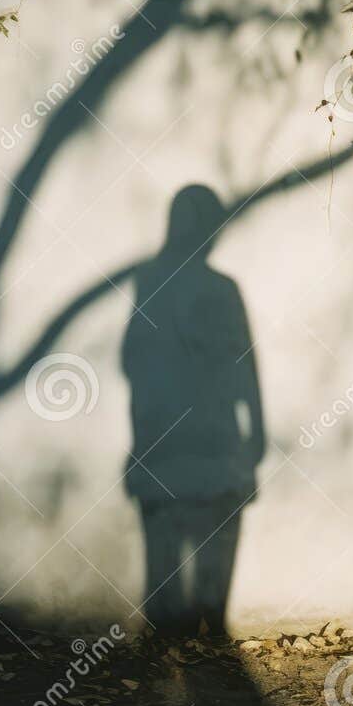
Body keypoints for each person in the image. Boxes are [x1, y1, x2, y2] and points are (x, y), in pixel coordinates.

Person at [122, 184, 265, 637]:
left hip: (184, 444)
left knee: (175, 600)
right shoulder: (202, 287)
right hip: (197, 444)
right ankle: (192, 667)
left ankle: (184, 663)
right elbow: (245, 368)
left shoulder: (154, 281)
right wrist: (256, 428)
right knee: (192, 597)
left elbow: (243, 364)